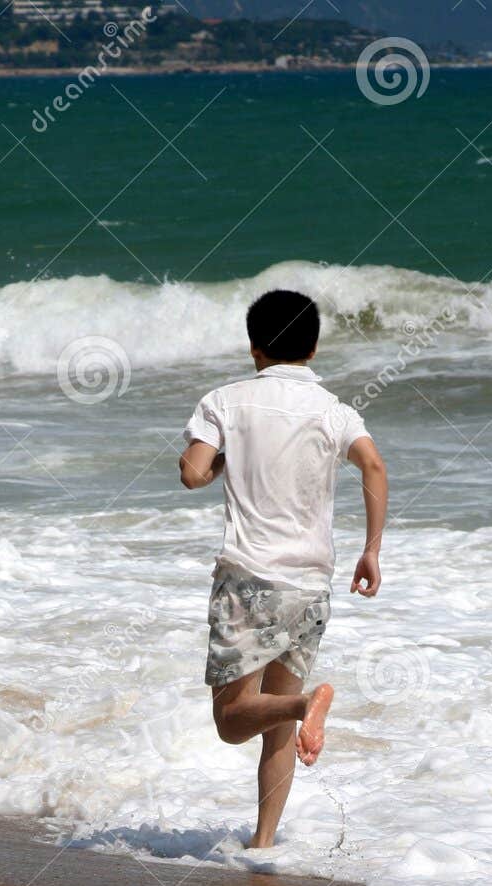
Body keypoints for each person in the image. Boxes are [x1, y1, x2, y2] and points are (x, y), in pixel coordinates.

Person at [179, 288, 388, 850]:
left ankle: (304, 704)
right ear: (314, 349)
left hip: (250, 580)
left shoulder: (222, 402)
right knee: (275, 728)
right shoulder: (336, 411)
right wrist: (371, 549)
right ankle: (263, 844)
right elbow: (372, 463)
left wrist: (209, 458)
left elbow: (195, 475)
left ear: (254, 348)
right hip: (311, 586)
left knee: (231, 721)